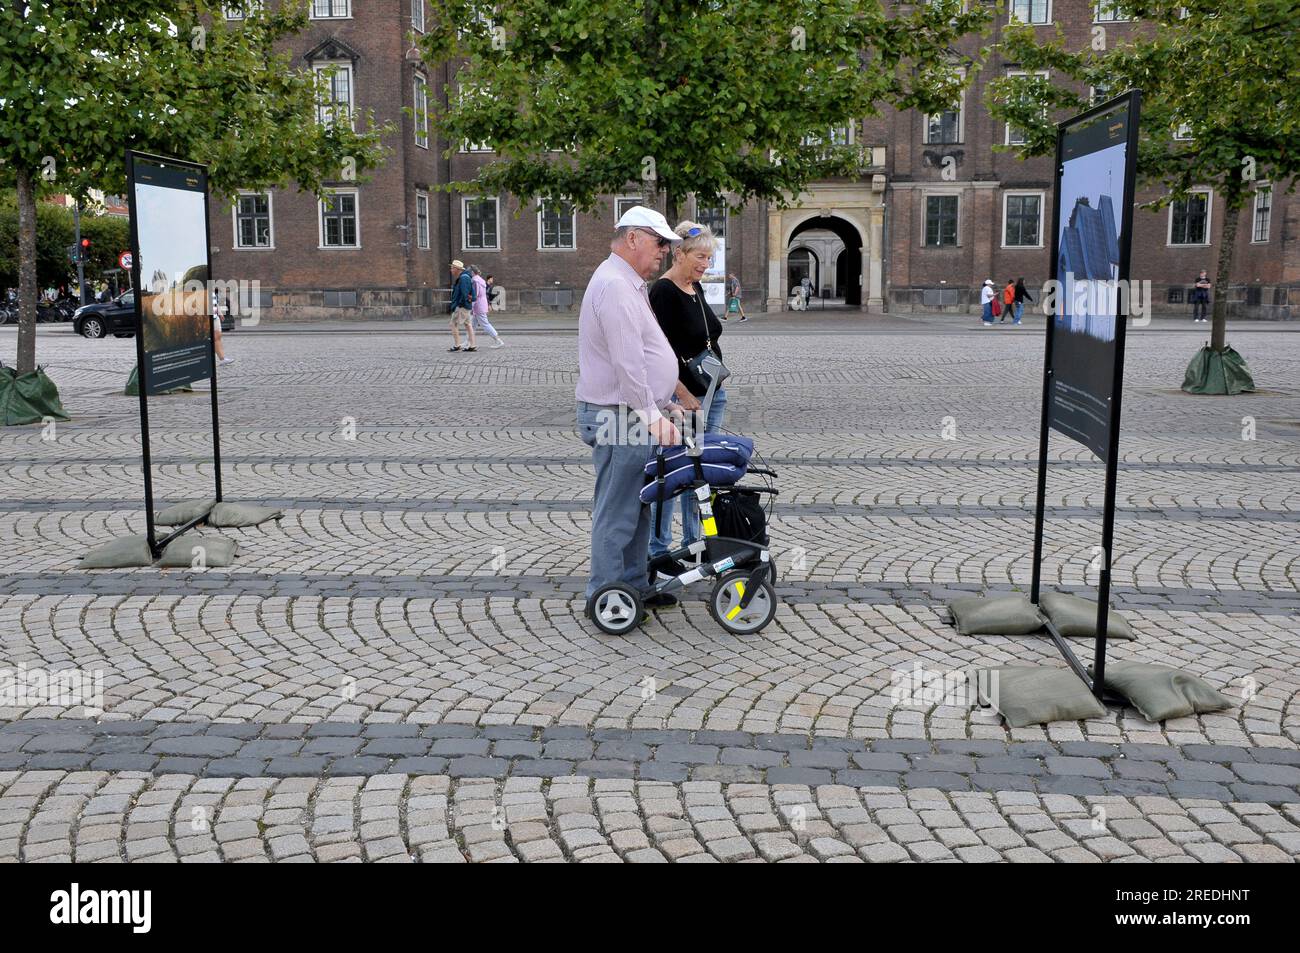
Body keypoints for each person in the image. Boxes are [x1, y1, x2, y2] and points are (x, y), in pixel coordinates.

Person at [575, 205, 682, 616]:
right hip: (619, 416)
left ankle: (635, 584)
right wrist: (652, 415)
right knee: (618, 509)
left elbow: (641, 357)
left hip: (631, 414)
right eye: (660, 243)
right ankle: (605, 593)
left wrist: (662, 402)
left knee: (638, 505)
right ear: (633, 237)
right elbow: (627, 360)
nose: (665, 252)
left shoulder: (627, 282)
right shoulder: (615, 285)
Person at [647, 221, 728, 567]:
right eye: (700, 256)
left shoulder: (695, 288)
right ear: (678, 253)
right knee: (673, 470)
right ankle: (658, 549)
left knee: (700, 469)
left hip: (711, 393)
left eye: (709, 258)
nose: (705, 264)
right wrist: (680, 393)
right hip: (683, 399)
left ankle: (694, 542)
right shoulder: (663, 292)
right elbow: (657, 349)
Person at [469, 265, 504, 348]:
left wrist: (471, 306)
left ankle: (498, 340)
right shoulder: (480, 280)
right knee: (471, 325)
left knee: (485, 324)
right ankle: (468, 342)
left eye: (469, 272)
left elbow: (475, 295)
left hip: (478, 306)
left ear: (472, 272)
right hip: (481, 304)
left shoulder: (474, 280)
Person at [447, 259, 477, 352]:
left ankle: (457, 345)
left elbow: (465, 293)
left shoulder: (463, 278)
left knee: (453, 324)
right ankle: (472, 345)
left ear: (457, 269)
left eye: (452, 268)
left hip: (461, 306)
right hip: (465, 305)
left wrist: (459, 304)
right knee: (468, 325)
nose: (451, 270)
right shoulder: (465, 277)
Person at [211, 289, 234, 366]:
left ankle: (223, 359)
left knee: (218, 337)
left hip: (215, 317)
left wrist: (220, 313)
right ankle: (222, 358)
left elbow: (215, 303)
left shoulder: (211, 290)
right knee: (215, 338)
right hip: (209, 318)